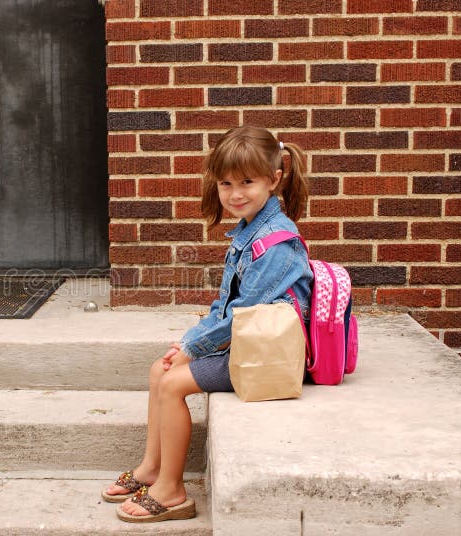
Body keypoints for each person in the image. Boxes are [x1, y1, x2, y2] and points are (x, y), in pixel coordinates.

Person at [102, 126, 314, 523]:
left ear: (273, 179)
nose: (235, 194)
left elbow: (241, 316)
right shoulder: (250, 232)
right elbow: (225, 305)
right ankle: (151, 467)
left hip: (269, 356)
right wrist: (189, 341)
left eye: (247, 182)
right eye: (226, 183)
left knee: (172, 383)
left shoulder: (277, 245)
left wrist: (193, 349)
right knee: (158, 369)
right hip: (246, 343)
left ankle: (171, 491)